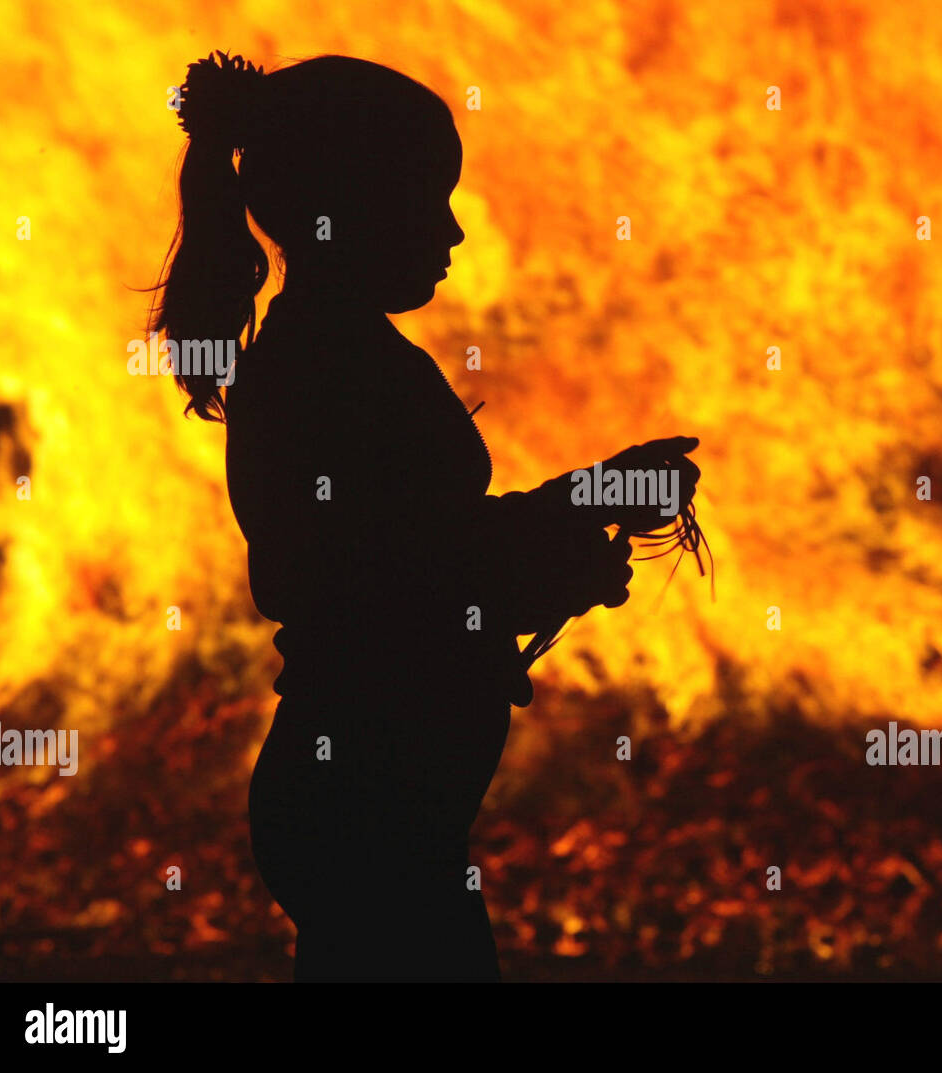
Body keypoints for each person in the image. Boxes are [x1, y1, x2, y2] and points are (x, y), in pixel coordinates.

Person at [149, 52, 699, 980]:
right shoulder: (341, 369)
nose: (451, 230)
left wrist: (584, 510)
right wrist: (582, 519)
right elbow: (412, 575)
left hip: (361, 800)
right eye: (427, 198)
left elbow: (426, 555)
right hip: (368, 806)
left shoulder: (329, 354)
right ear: (352, 210)